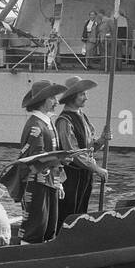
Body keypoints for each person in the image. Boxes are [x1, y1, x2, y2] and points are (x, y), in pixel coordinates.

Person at [13, 81, 69, 244]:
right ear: (44, 100)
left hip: (48, 182)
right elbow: (36, 158)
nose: (57, 102)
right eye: (53, 98)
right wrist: (60, 158)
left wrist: (58, 181)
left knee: (49, 227)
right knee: (35, 228)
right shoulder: (36, 125)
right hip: (36, 184)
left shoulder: (47, 122)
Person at [54, 78, 108, 223]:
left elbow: (88, 148)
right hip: (71, 176)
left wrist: (102, 140)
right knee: (68, 213)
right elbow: (73, 152)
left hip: (85, 176)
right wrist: (97, 169)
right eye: (82, 94)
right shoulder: (64, 121)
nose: (86, 97)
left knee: (81, 212)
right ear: (72, 97)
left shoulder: (82, 116)